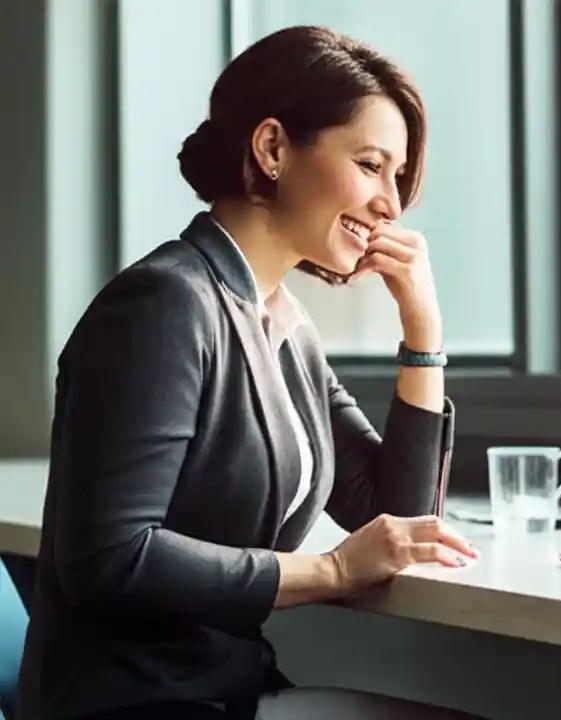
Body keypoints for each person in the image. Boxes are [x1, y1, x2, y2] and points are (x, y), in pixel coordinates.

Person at [16, 25, 485, 719]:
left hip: (231, 692)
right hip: (136, 705)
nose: (392, 201)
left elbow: (398, 519)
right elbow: (109, 559)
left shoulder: (284, 324)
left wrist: (423, 332)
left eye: (397, 175)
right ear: (271, 149)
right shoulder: (167, 303)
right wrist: (328, 571)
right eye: (370, 164)